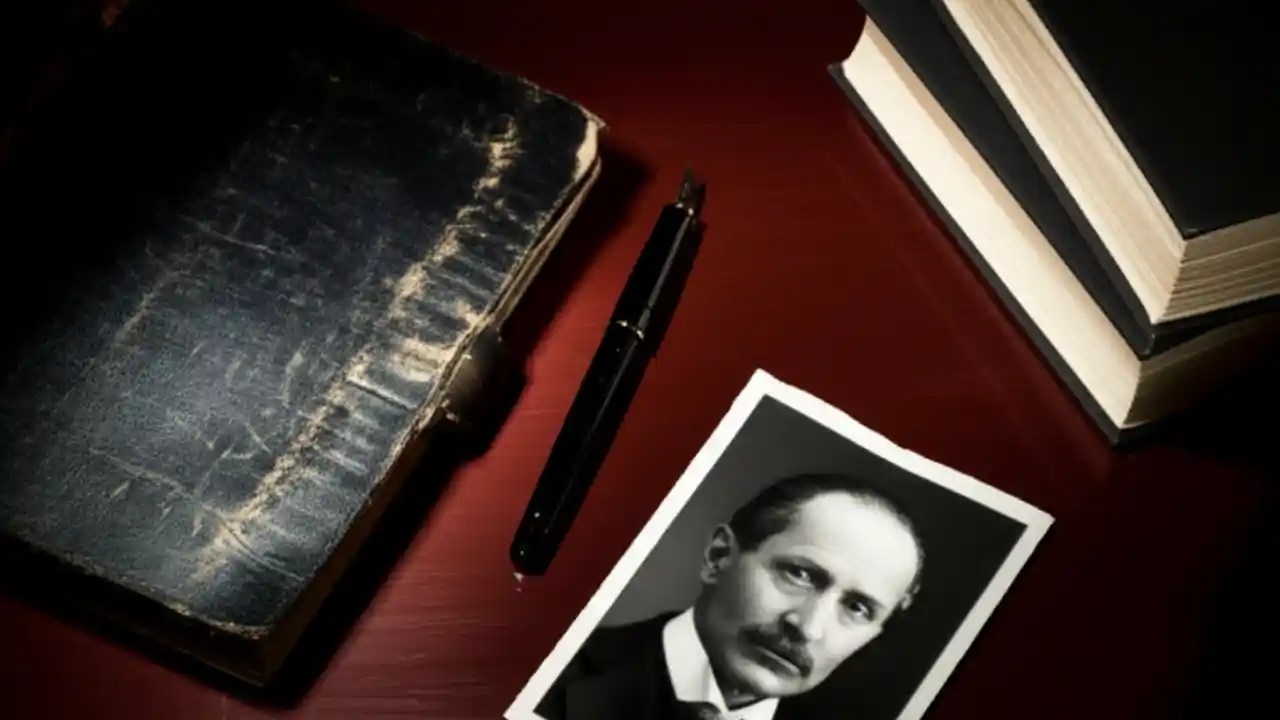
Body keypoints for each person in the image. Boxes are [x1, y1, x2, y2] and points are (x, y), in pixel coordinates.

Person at [535, 473, 926, 720]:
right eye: (800, 574)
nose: (808, 627)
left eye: (857, 608)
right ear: (719, 556)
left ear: (875, 633)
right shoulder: (550, 671)